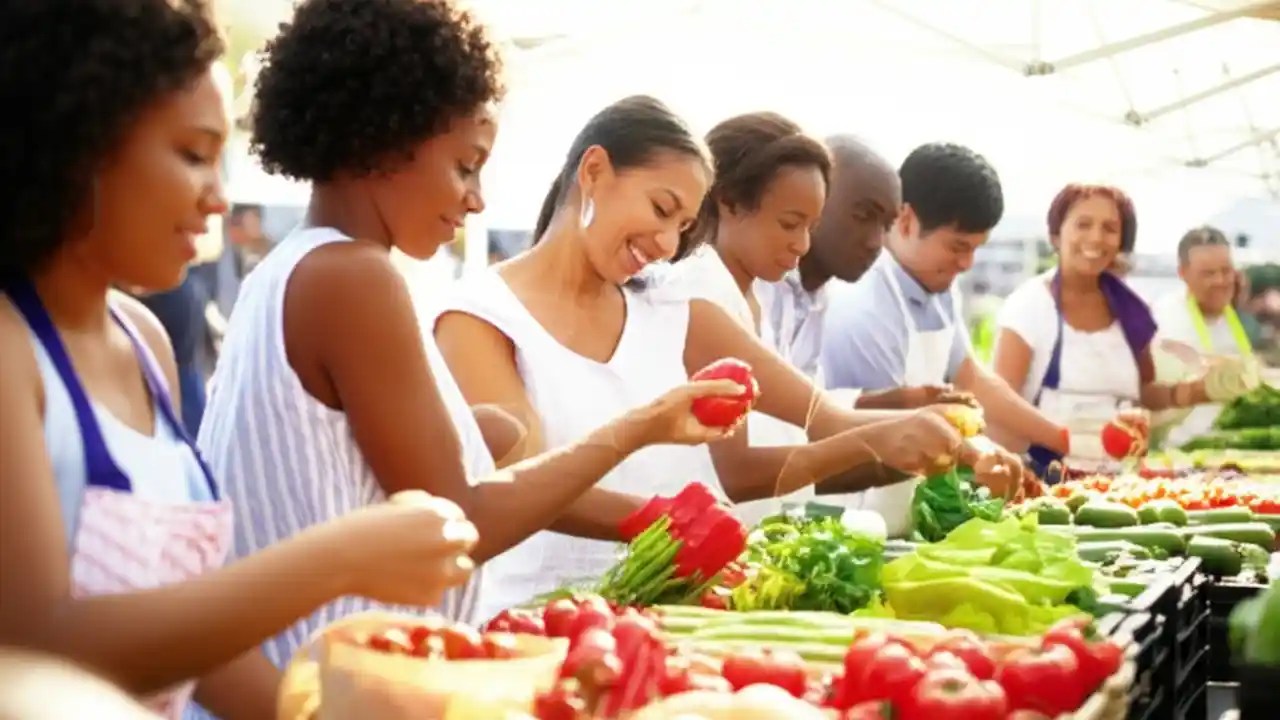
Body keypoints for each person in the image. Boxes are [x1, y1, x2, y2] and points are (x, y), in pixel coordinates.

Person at [197, 0, 745, 669]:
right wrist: (646, 423)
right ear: (385, 138)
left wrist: (476, 432)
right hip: (323, 689)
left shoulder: (295, 266)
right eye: (466, 164)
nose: (478, 198)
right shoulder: (355, 278)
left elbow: (363, 470)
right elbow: (462, 521)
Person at [0, 2, 483, 718]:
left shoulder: (144, 343)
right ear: (76, 138)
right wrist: (339, 557)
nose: (219, 200)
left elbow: (194, 648)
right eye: (193, 155)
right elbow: (34, 646)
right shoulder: (12, 350)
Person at [434, 97, 1021, 613]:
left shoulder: (675, 309)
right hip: (531, 620)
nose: (667, 243)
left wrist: (964, 446)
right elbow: (520, 484)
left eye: (685, 224)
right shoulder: (480, 315)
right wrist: (667, 522)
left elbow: (824, 416)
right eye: (662, 210)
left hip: (674, 614)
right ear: (594, 171)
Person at [819, 143, 1058, 528]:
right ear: (907, 221)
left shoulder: (938, 285)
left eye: (976, 249)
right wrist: (981, 454)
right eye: (957, 246)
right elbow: (898, 428)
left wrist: (1057, 437)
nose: (966, 264)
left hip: (909, 499)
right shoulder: (863, 304)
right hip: (857, 512)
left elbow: (971, 377)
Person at [992, 186, 1251, 466]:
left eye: (1110, 228)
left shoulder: (1130, 310)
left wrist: (1197, 391)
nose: (1096, 238)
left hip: (1122, 480)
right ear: (1056, 234)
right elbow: (1000, 405)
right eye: (1083, 224)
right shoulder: (1030, 305)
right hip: (1049, 478)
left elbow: (1145, 392)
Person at [656, 111, 831, 523]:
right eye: (790, 224)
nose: (802, 244)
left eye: (811, 227)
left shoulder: (756, 297)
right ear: (729, 201)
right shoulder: (698, 293)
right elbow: (734, 472)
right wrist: (874, 444)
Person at [1151, 226, 1261, 447]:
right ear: (1183, 273)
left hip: (1232, 449)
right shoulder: (1164, 321)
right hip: (1175, 453)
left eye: (1226, 270)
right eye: (1208, 273)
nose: (1221, 281)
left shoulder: (1231, 318)